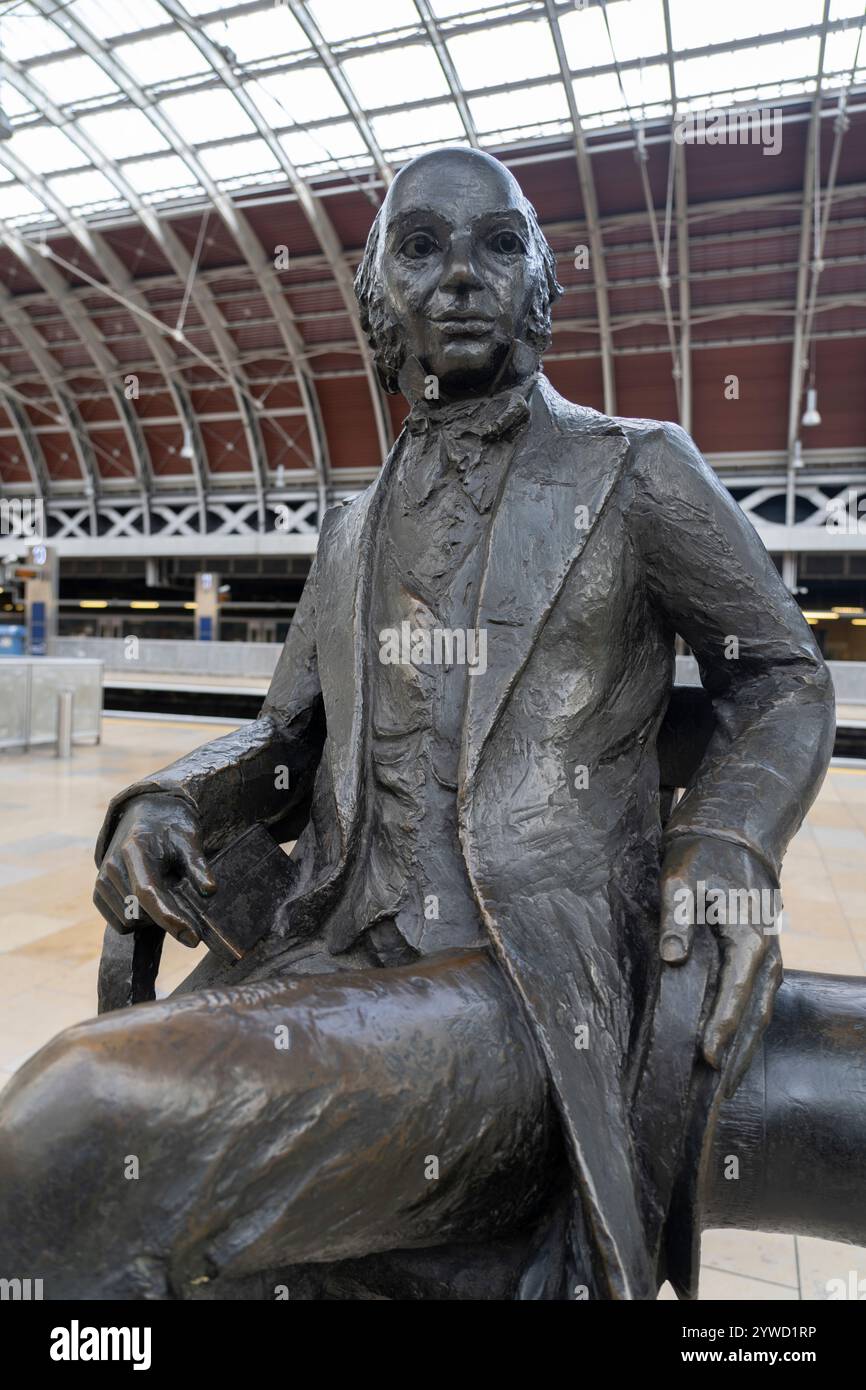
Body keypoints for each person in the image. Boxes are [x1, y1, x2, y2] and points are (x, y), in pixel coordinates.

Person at [0, 148, 836, 1300]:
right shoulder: (348, 530)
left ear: (541, 283)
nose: (460, 277)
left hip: (518, 983)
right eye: (422, 247)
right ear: (375, 295)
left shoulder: (636, 472)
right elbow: (285, 740)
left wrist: (726, 839)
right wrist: (172, 797)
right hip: (330, 944)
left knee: (81, 1112)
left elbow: (783, 677)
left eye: (499, 246)